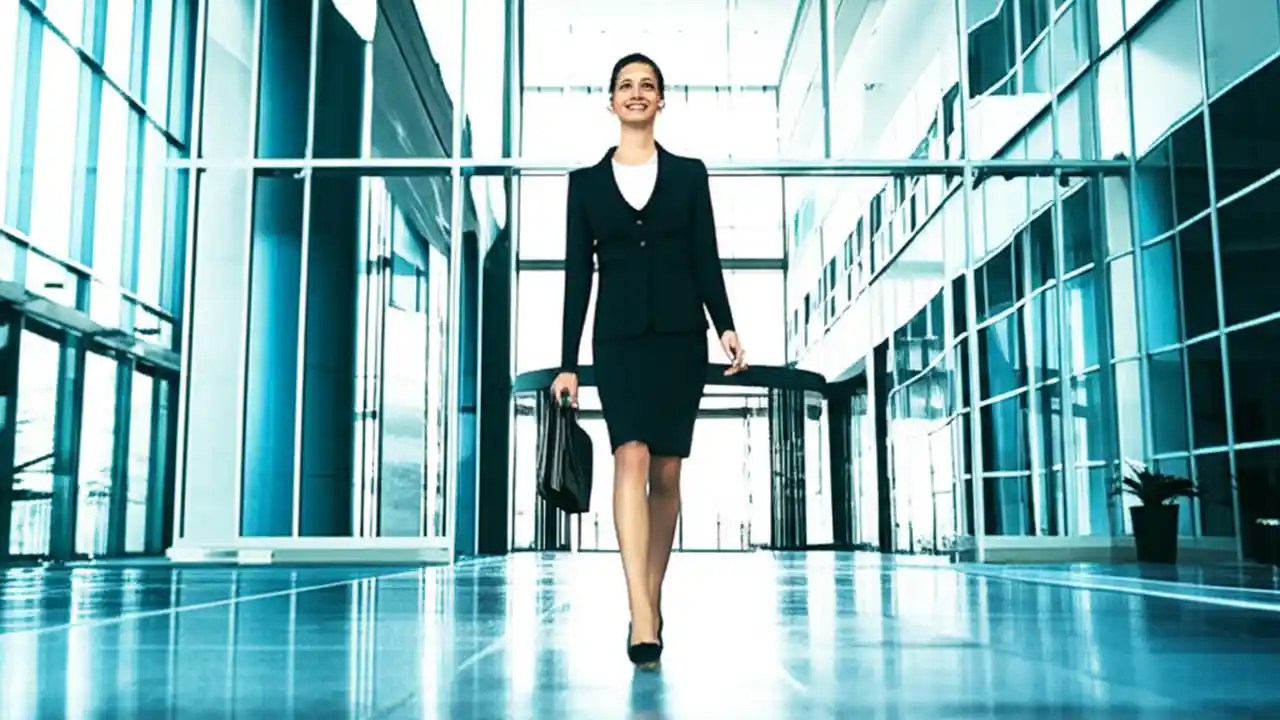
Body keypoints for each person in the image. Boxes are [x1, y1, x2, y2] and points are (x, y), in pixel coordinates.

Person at [550, 52, 747, 668]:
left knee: (666, 474)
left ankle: (651, 599)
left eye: (648, 86)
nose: (636, 93)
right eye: (625, 86)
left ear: (662, 101)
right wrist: (568, 361)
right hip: (619, 341)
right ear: (610, 102)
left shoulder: (690, 176)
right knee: (628, 456)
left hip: (680, 336)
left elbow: (705, 256)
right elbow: (577, 274)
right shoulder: (583, 184)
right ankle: (641, 612)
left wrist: (728, 326)